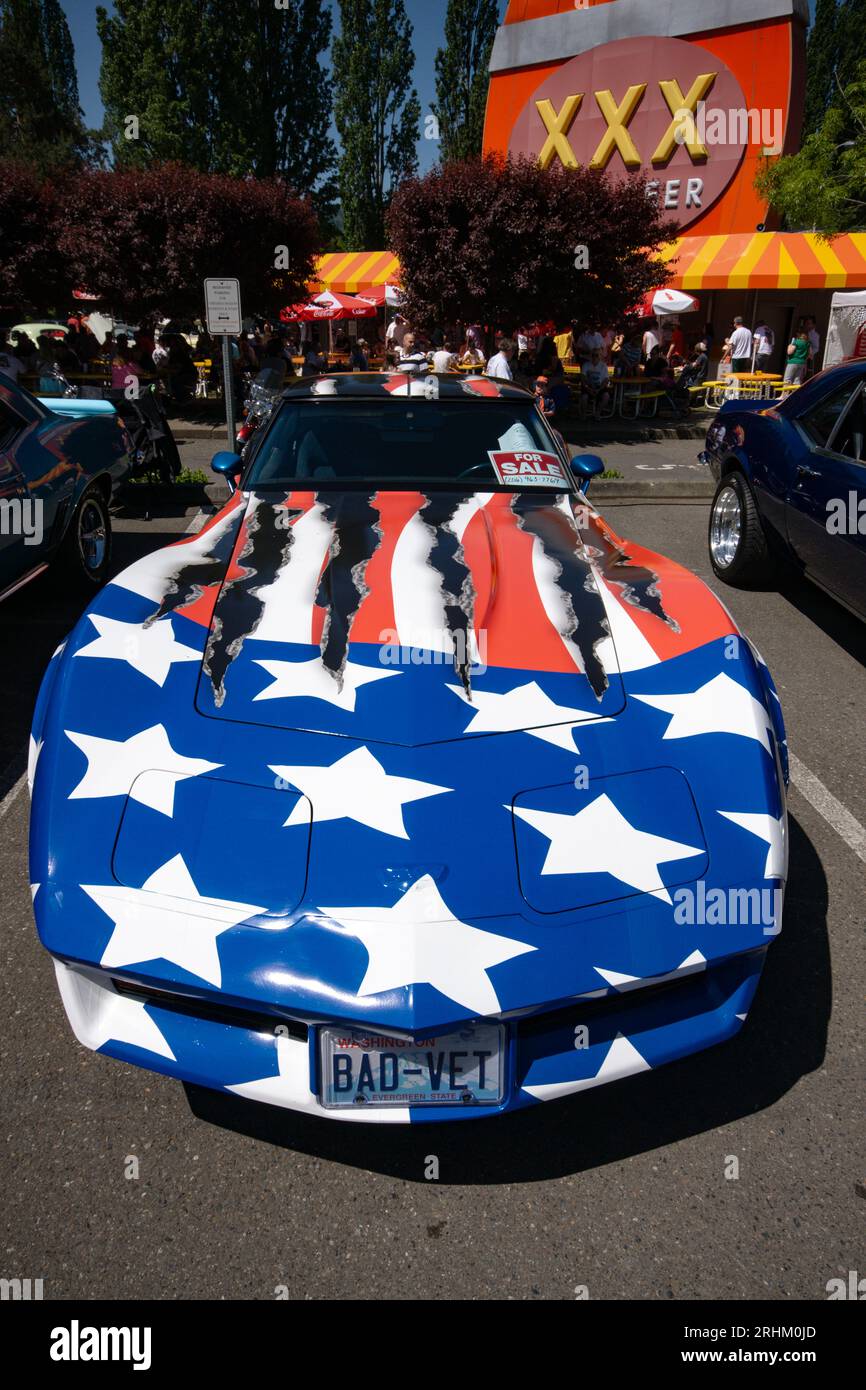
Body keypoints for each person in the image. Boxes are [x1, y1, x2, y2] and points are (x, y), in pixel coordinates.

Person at [580, 348, 612, 417]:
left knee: (606, 396)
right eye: (593, 355)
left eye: (596, 355)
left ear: (600, 356)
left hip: (599, 386)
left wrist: (599, 389)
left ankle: (598, 412)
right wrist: (588, 388)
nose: (594, 357)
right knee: (584, 397)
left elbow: (606, 380)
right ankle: (584, 414)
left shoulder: (603, 366)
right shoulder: (586, 365)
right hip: (588, 386)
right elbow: (583, 378)